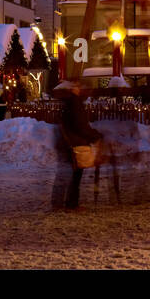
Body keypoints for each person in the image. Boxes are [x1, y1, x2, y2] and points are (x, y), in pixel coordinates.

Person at [60, 81, 102, 210]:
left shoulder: (71, 102)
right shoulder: (75, 103)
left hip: (74, 141)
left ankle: (71, 202)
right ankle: (72, 203)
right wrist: (95, 136)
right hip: (77, 142)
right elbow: (81, 125)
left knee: (76, 173)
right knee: (77, 173)